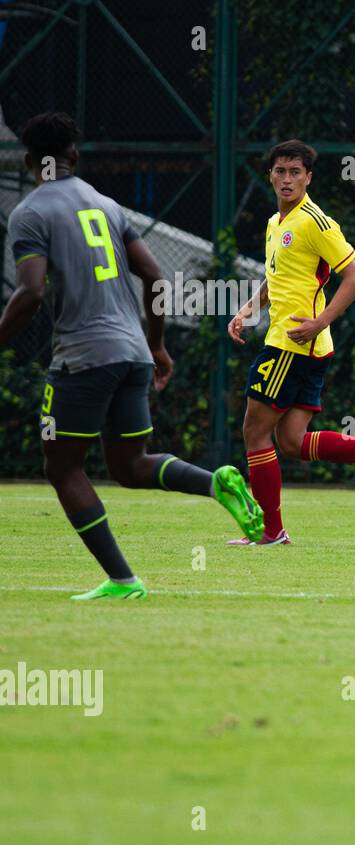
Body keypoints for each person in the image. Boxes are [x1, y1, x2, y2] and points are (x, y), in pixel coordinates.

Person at [0, 112, 263, 599]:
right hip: (132, 352)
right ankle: (216, 483)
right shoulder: (107, 205)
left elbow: (30, 292)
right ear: (74, 157)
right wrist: (156, 344)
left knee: (61, 467)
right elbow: (157, 278)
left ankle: (123, 580)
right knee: (128, 464)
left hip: (83, 356)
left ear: (29, 162)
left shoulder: (30, 213)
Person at [225, 139, 355, 547]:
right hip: (303, 343)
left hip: (292, 343)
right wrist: (246, 310)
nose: (287, 179)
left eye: (296, 172)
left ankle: (271, 531)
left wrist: (319, 321)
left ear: (309, 178)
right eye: (280, 171)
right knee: (293, 442)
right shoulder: (276, 223)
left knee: (255, 432)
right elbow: (276, 278)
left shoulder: (316, 221)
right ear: (271, 176)